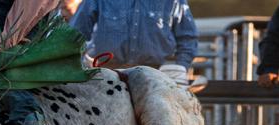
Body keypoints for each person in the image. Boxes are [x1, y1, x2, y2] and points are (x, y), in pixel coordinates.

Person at [70, 0, 198, 86]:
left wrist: (181, 67)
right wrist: (79, 66)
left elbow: (188, 37)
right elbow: (74, 34)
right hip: (107, 75)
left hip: (156, 77)